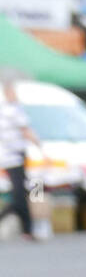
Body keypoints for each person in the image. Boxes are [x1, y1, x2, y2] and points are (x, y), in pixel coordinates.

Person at [0, 77, 40, 241]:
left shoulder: (3, 110)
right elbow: (26, 131)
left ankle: (28, 229)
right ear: (9, 92)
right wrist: (40, 147)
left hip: (8, 157)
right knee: (21, 195)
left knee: (22, 192)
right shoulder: (13, 110)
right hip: (14, 157)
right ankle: (29, 228)